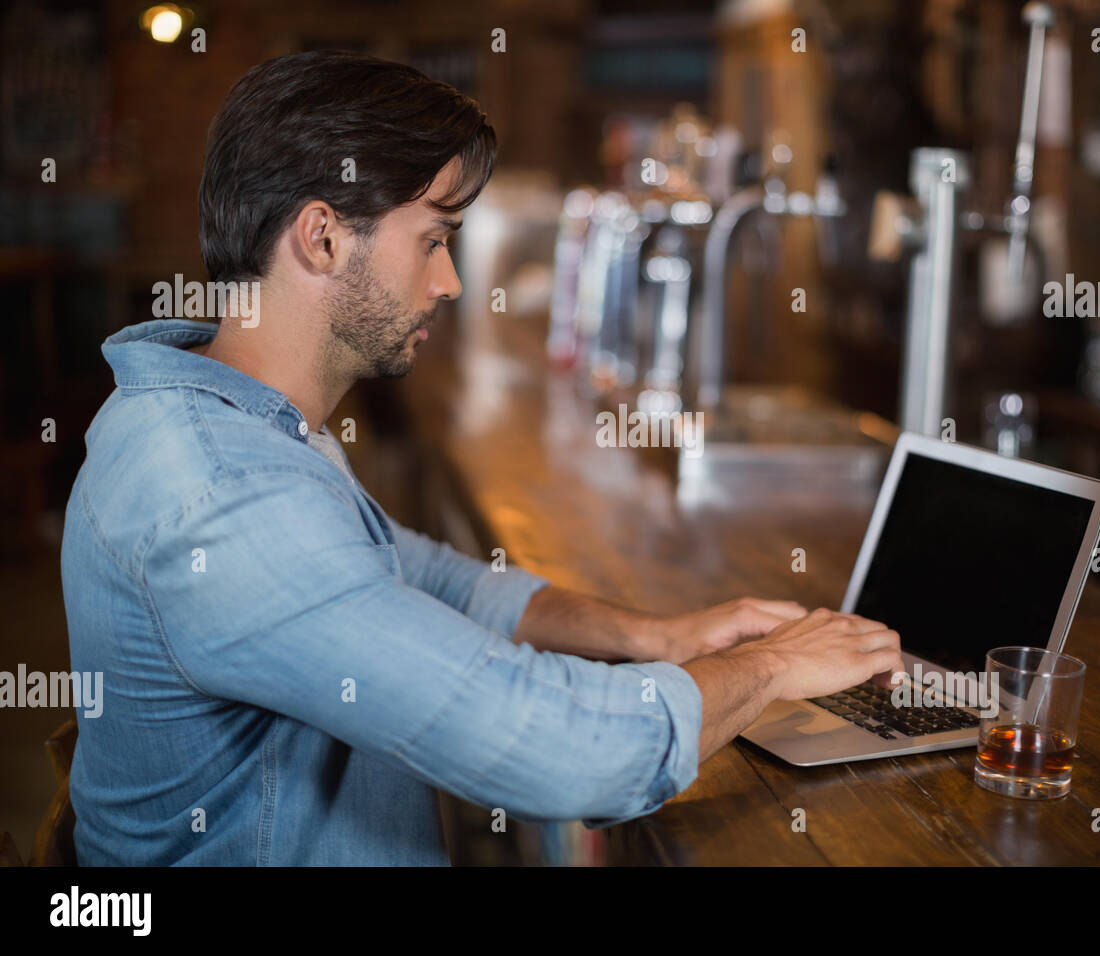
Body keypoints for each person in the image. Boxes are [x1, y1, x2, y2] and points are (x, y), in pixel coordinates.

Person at [61, 50, 901, 865]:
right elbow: (562, 753)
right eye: (432, 240)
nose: (451, 281)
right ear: (320, 238)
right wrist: (771, 667)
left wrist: (654, 634)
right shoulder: (220, 494)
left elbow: (417, 574)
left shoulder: (233, 412)